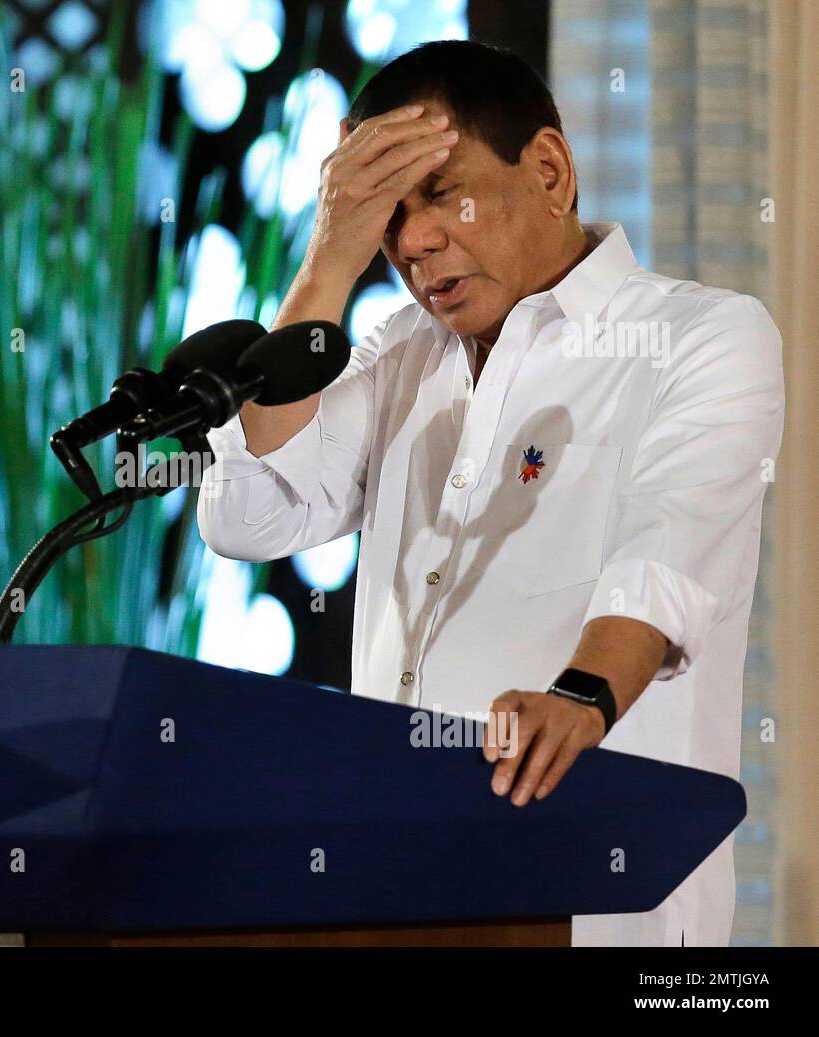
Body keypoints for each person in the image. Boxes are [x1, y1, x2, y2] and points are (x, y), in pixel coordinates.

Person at [197, 39, 784, 947]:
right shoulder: (399, 353)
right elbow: (251, 513)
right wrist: (326, 263)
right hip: (394, 906)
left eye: (439, 193)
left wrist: (580, 697)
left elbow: (667, 552)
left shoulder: (701, 337)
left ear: (549, 170)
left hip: (599, 918)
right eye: (386, 217)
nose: (414, 241)